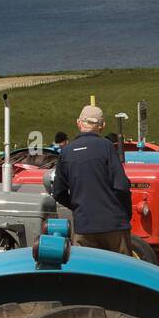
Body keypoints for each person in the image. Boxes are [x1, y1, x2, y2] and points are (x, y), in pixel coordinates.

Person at [50, 104, 133, 253]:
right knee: (120, 272)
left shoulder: (66, 152)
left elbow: (58, 192)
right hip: (113, 224)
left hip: (84, 226)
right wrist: (126, 214)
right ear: (102, 126)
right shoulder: (107, 146)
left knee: (88, 273)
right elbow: (122, 186)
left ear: (79, 123)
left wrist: (78, 207)